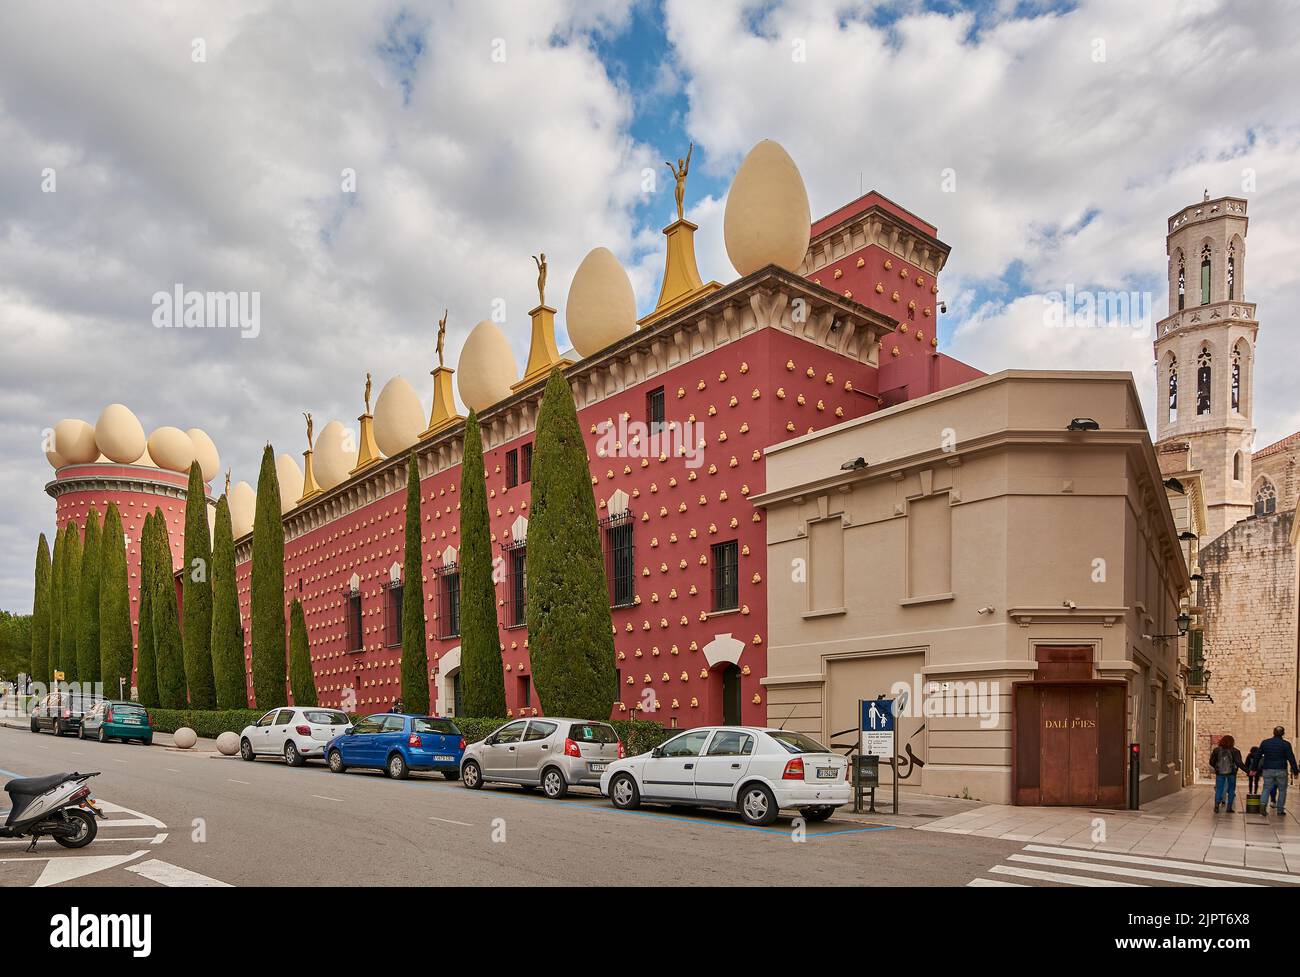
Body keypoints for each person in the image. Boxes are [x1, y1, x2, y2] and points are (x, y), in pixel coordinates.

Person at [1254, 726, 1298, 816]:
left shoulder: (1265, 743)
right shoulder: (1286, 744)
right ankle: (1280, 810)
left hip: (1268, 769)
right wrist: (1295, 771)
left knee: (1266, 788)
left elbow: (1257, 756)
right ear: (1283, 733)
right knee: (1282, 790)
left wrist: (1253, 768)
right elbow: (1291, 758)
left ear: (1273, 732)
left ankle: (1262, 805)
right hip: (1281, 769)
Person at [1209, 735, 1246, 813]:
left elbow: (1211, 762)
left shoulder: (1216, 750)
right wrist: (1248, 771)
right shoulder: (1235, 751)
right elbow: (1239, 763)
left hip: (1220, 773)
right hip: (1232, 773)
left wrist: (1216, 767)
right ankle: (1229, 807)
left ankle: (1216, 805)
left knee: (1219, 789)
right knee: (1231, 790)